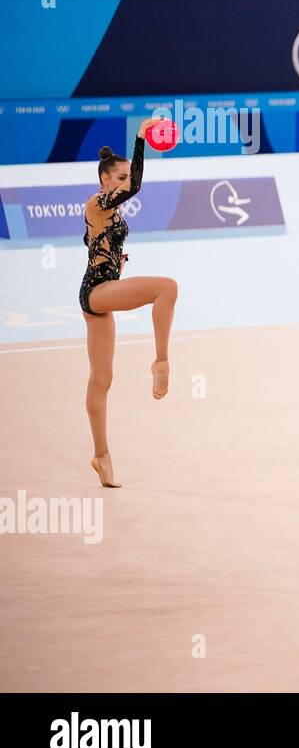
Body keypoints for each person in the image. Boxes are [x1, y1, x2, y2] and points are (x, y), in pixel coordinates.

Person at [81, 124, 179, 489]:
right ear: (106, 180)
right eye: (120, 177)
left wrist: (115, 261)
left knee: (102, 379)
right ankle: (161, 360)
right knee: (166, 288)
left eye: (125, 176)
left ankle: (100, 454)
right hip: (96, 290)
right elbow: (136, 185)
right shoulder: (96, 202)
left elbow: (95, 243)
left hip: (105, 289)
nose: (126, 182)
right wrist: (140, 140)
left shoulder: (109, 211)